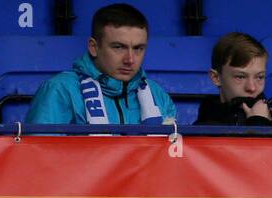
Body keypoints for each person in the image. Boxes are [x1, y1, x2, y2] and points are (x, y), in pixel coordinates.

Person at [26, 3, 176, 125]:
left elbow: (172, 156)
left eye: (138, 48)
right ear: (94, 47)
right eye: (118, 47)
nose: (130, 59)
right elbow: (40, 158)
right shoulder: (60, 90)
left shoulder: (158, 95)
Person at [194, 32, 272, 126]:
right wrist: (258, 123)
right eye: (240, 77)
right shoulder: (203, 129)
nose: (252, 88)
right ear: (216, 78)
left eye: (259, 77)